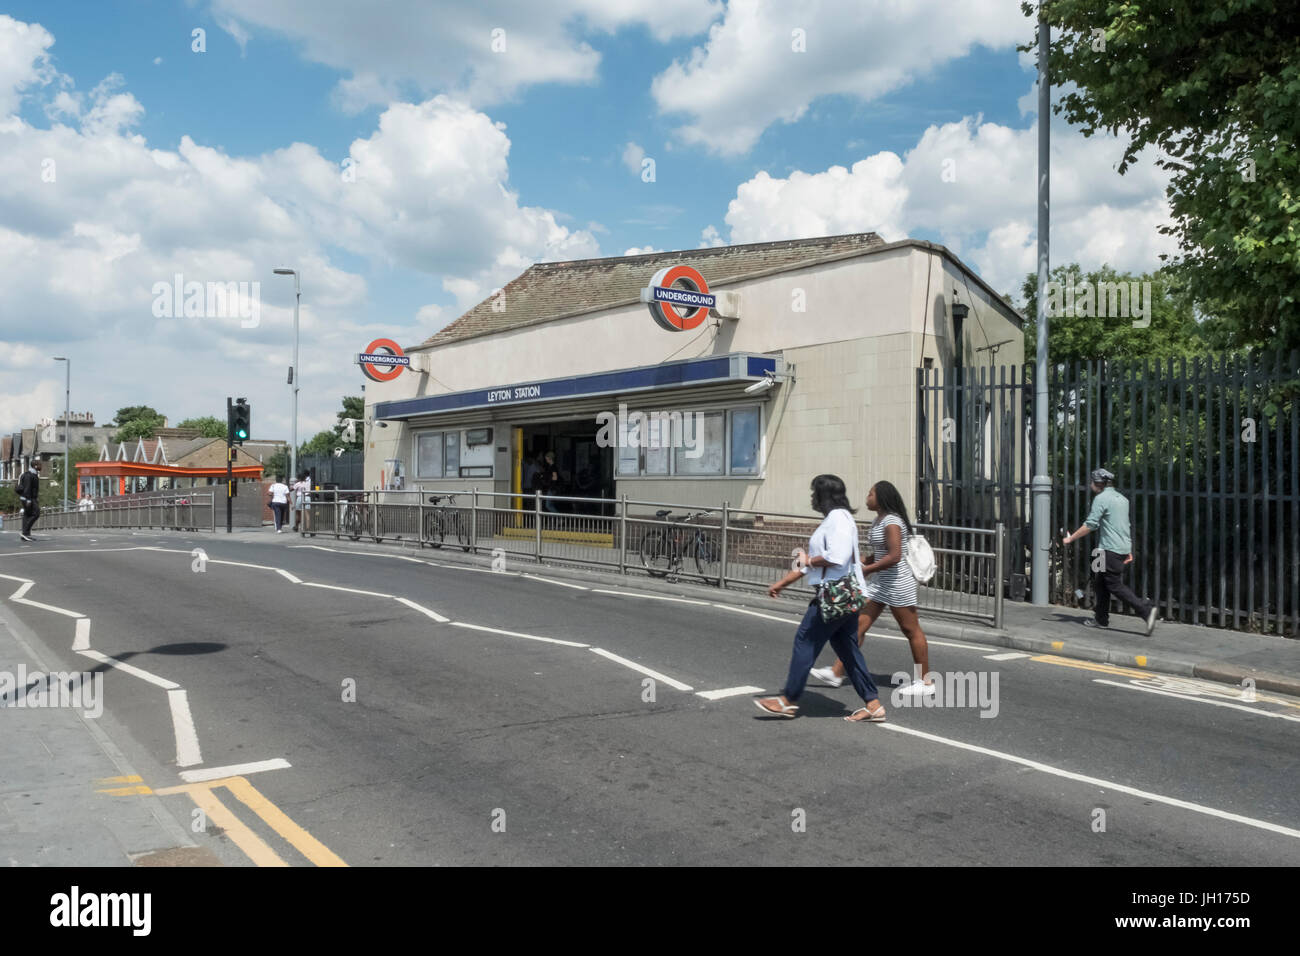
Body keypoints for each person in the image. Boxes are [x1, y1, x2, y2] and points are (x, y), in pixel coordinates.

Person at [755, 474, 886, 723]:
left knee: (805, 640)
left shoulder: (838, 519)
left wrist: (808, 560)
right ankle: (873, 704)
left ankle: (788, 700)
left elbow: (835, 557)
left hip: (834, 596)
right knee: (848, 650)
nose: (812, 497)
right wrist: (782, 583)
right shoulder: (836, 519)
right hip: (844, 596)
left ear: (824, 495)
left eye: (815, 492)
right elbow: (812, 563)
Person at [810, 480, 935, 697]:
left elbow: (895, 556)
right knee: (858, 625)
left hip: (897, 583)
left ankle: (925, 682)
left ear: (882, 497)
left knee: (911, 629)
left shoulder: (893, 522)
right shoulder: (880, 520)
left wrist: (868, 569)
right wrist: (861, 563)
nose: (867, 497)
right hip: (880, 583)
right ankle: (837, 672)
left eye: (870, 494)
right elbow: (880, 553)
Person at [1063, 468, 1157, 634]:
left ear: (1098, 483)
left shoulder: (1101, 498)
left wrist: (1070, 539)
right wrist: (1127, 549)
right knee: (1100, 582)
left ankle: (1146, 611)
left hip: (1108, 549)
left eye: (1092, 481)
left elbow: (1091, 524)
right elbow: (1124, 525)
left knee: (1114, 584)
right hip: (1111, 548)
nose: (1090, 484)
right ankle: (1101, 619)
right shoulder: (1122, 499)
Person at [16, 460, 42, 542]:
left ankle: (25, 535)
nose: (41, 466)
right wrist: (28, 500)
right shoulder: (29, 475)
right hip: (28, 498)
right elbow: (27, 488)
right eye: (39, 464)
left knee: (27, 514)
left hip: (28, 498)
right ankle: (25, 532)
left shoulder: (33, 474)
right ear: (35, 466)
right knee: (36, 513)